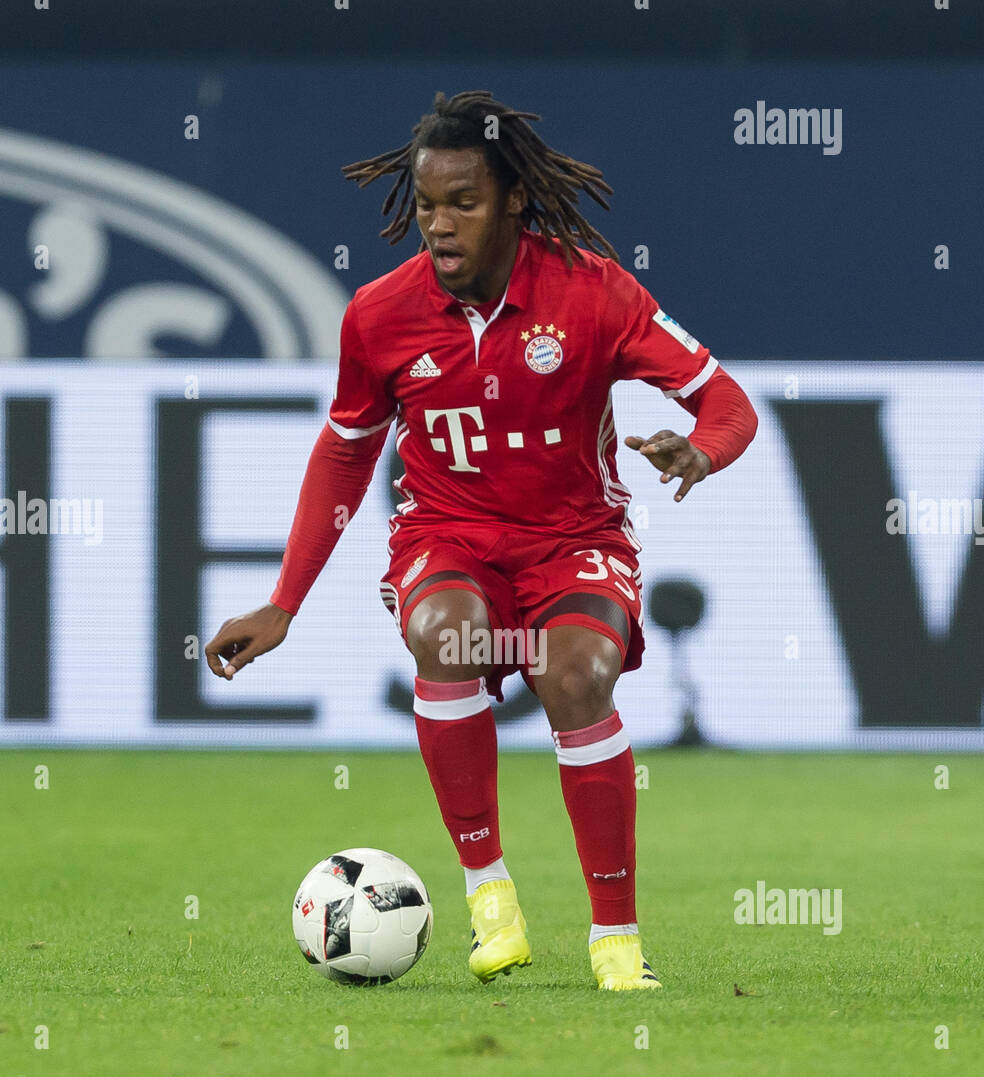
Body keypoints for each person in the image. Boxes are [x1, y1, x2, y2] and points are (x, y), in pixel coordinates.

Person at [205, 90, 758, 991]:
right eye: (426, 205)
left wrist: (701, 449)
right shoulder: (380, 317)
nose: (439, 224)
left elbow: (726, 403)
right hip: (447, 530)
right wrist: (283, 603)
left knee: (574, 675)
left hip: (574, 536)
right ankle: (488, 893)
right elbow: (346, 455)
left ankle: (615, 938)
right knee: (443, 634)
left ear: (511, 202)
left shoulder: (594, 292)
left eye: (462, 201)